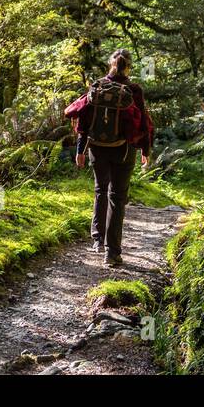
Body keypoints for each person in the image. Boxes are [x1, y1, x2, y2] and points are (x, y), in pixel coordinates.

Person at [69, 49, 154, 268]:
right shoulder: (133, 89)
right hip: (123, 150)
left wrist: (80, 150)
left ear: (110, 64)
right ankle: (112, 253)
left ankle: (97, 240)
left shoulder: (97, 86)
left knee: (100, 190)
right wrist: (145, 149)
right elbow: (144, 121)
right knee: (117, 196)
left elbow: (84, 121)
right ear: (129, 67)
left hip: (96, 147)